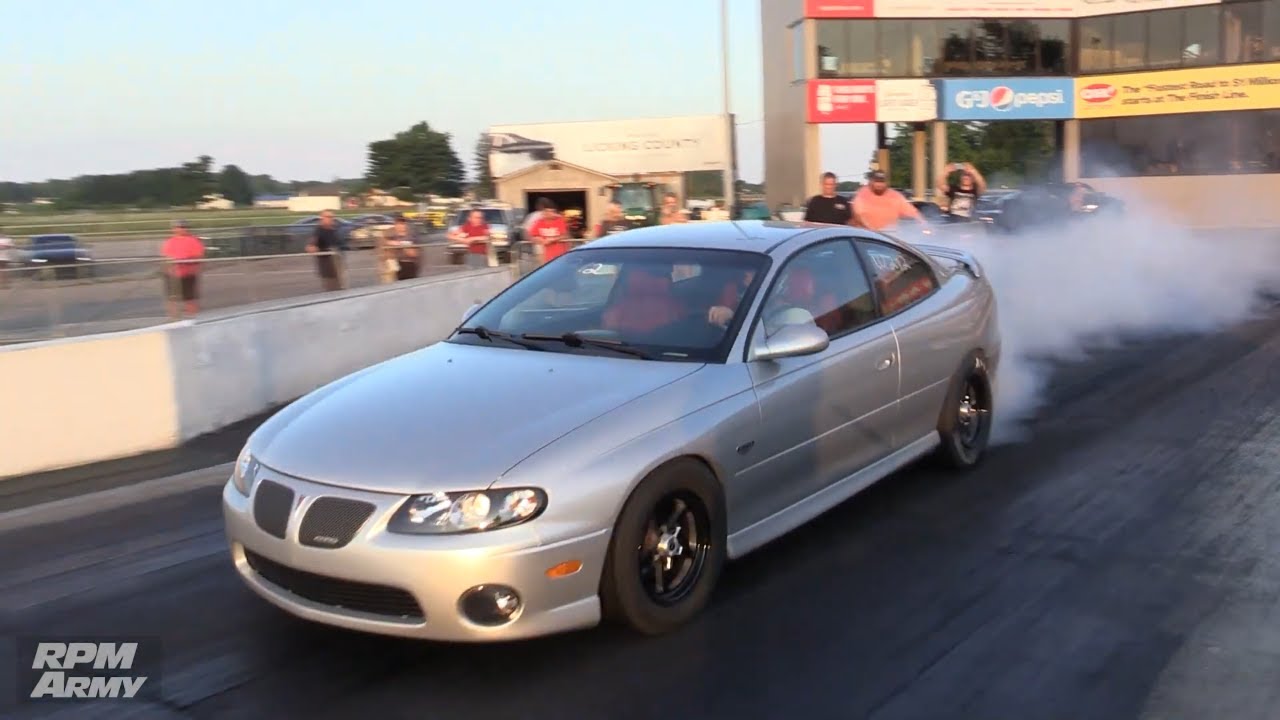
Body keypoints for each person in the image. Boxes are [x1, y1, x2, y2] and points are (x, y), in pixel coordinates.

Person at [161, 220, 206, 319]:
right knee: (172, 299)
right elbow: (166, 257)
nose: (181, 229)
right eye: (178, 227)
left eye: (183, 227)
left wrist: (187, 262)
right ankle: (173, 318)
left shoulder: (194, 241)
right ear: (173, 229)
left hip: (188, 274)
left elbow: (198, 256)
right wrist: (169, 268)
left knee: (190, 299)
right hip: (172, 275)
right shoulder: (170, 241)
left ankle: (192, 318)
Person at [852, 171, 925, 232]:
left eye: (882, 182)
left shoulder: (895, 196)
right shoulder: (863, 194)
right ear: (871, 182)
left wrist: (924, 225)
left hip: (890, 236)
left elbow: (912, 213)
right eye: (877, 181)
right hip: (868, 236)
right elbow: (859, 215)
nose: (879, 185)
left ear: (886, 183)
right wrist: (871, 230)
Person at [305, 210, 347, 291]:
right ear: (322, 218)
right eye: (328, 217)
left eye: (332, 217)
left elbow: (339, 244)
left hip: (338, 265)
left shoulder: (333, 230)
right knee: (332, 290)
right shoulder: (318, 231)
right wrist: (312, 247)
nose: (331, 219)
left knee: (341, 289)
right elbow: (311, 245)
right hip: (327, 267)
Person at [527, 197, 570, 263]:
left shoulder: (559, 220)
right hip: (546, 256)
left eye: (551, 211)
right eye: (546, 211)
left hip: (561, 255)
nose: (548, 213)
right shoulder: (539, 222)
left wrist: (553, 239)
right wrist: (540, 240)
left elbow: (565, 235)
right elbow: (532, 236)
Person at [384, 213, 421, 280]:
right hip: (395, 265)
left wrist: (402, 245)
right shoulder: (390, 234)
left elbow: (414, 254)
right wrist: (389, 243)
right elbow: (384, 248)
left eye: (402, 224)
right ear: (395, 225)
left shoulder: (411, 236)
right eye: (398, 224)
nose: (400, 226)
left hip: (409, 264)